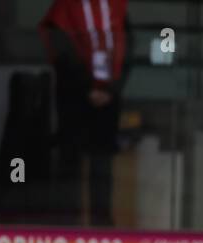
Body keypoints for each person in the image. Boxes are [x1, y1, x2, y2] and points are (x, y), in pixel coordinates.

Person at [39, 0, 131, 227]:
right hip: (75, 100)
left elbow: (129, 46)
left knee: (102, 166)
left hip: (107, 101)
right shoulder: (64, 8)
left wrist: (111, 88)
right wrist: (88, 87)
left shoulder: (115, 6)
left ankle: (102, 228)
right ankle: (66, 228)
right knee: (70, 163)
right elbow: (60, 51)